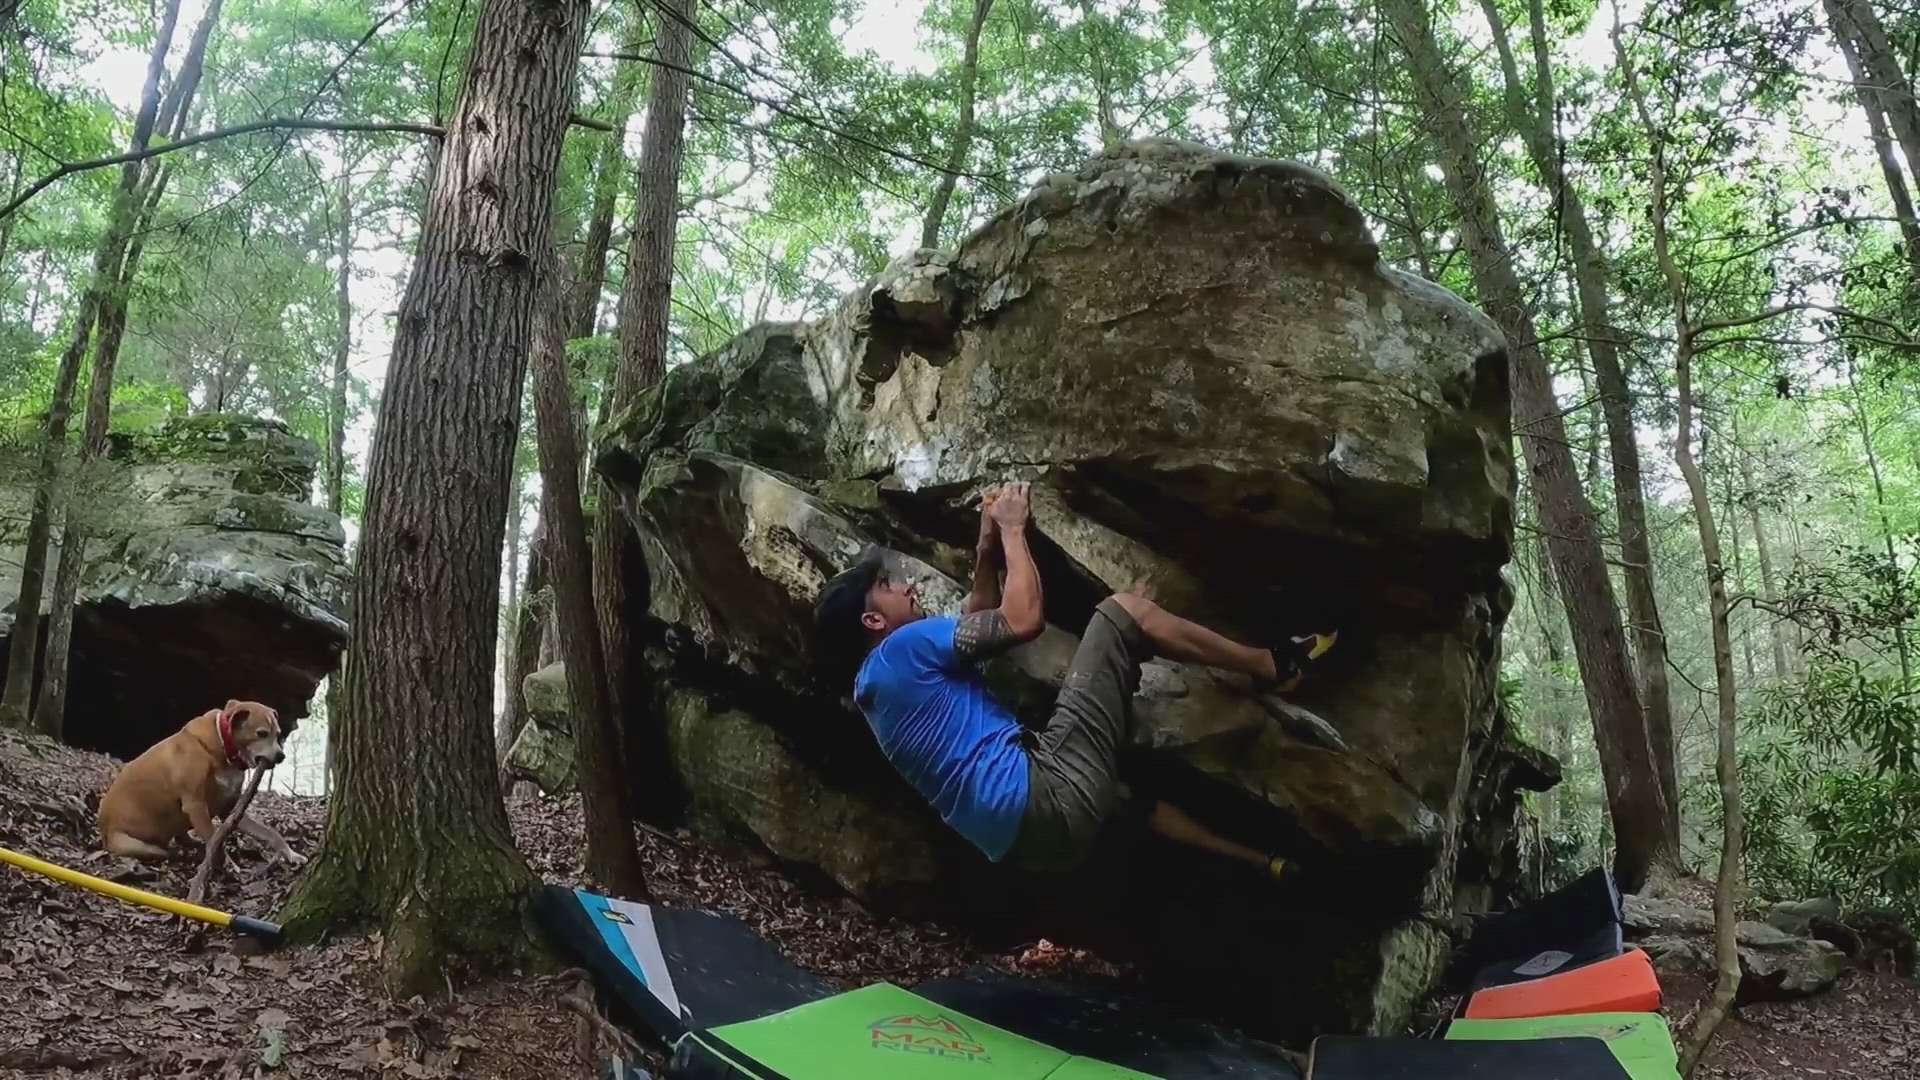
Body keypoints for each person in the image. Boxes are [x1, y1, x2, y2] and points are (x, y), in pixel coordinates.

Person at [812, 481, 1336, 877]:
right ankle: (1275, 666)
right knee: (1120, 614)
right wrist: (1016, 529)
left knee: (1127, 805)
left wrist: (989, 550)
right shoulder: (902, 649)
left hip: (1032, 846)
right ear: (873, 621)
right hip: (1045, 795)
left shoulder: (880, 691)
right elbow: (1020, 620)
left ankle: (1262, 861)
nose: (903, 587)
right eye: (886, 586)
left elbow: (978, 621)